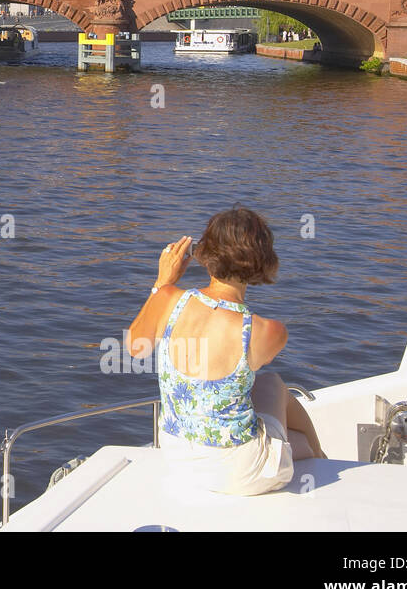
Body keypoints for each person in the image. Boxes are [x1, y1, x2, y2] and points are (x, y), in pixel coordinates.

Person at [125, 207, 325, 497]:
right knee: (274, 385)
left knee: (269, 400)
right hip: (241, 472)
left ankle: (311, 452)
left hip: (177, 456)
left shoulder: (168, 299)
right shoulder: (267, 331)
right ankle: (319, 456)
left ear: (203, 254)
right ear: (263, 261)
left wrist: (162, 282)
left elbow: (134, 348)